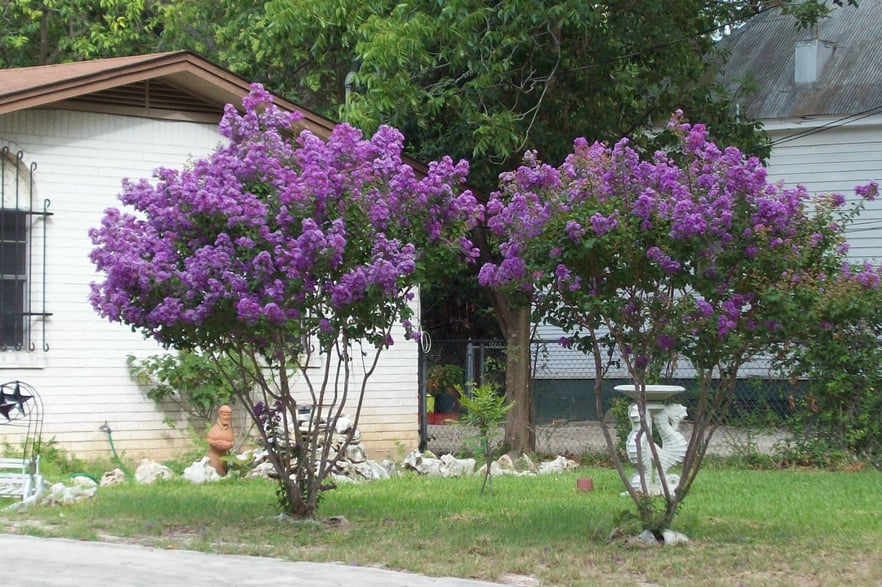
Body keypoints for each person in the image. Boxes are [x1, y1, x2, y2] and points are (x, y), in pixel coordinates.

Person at [206, 405, 234, 475]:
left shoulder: (229, 430)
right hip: (214, 456)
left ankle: (222, 475)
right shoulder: (215, 428)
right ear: (220, 415)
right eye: (224, 415)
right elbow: (209, 440)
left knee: (222, 470)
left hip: (224, 457)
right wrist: (216, 443)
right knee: (213, 470)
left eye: (228, 415)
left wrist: (229, 444)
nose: (226, 417)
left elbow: (232, 442)